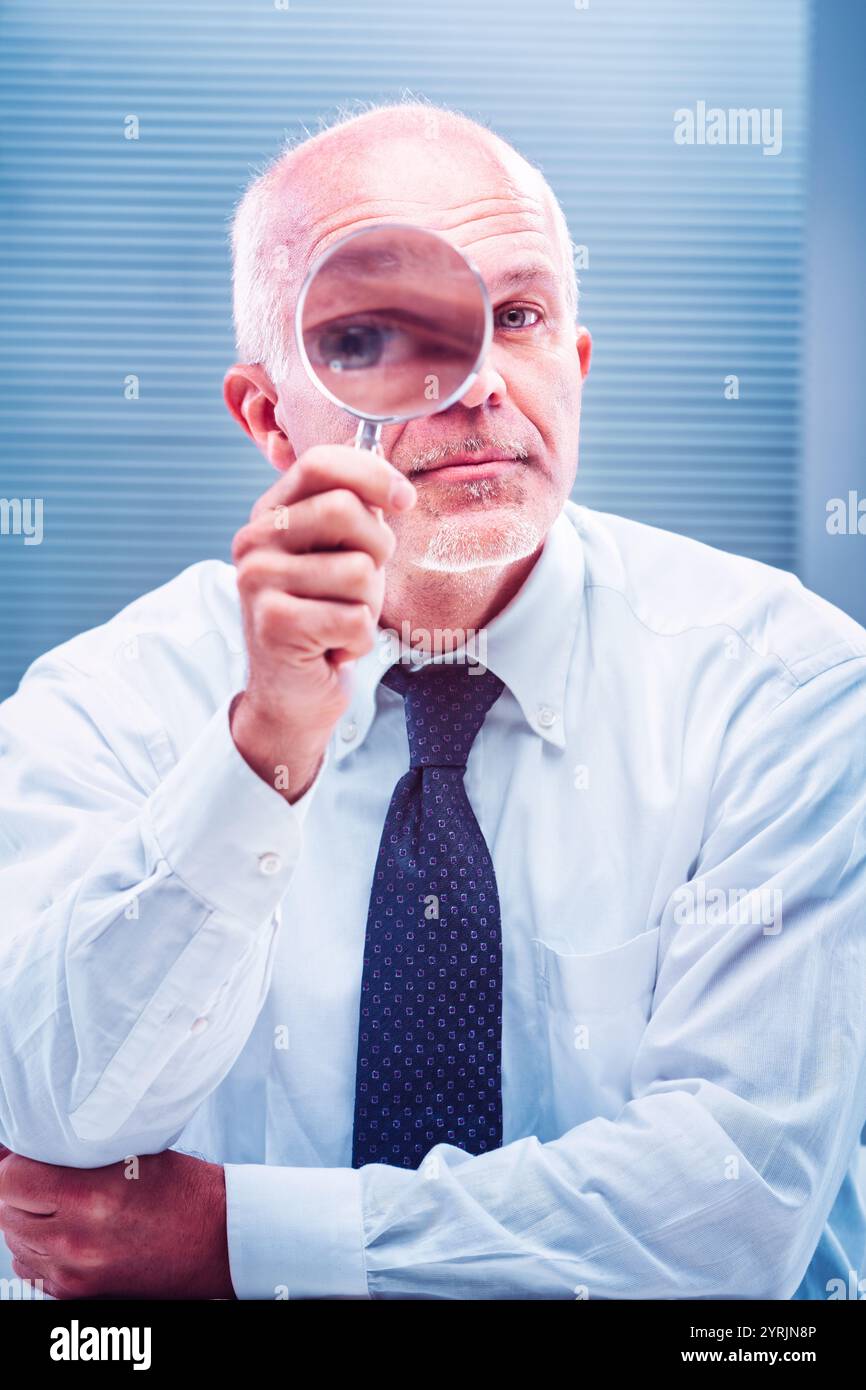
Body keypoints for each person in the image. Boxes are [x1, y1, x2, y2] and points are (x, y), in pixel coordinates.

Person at [0, 99, 864, 1302]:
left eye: (513, 318)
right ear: (264, 414)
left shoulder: (789, 687)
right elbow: (52, 1134)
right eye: (369, 336)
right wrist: (261, 755)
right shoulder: (105, 702)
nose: (475, 385)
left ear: (572, 362)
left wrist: (238, 1245)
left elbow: (729, 1219)